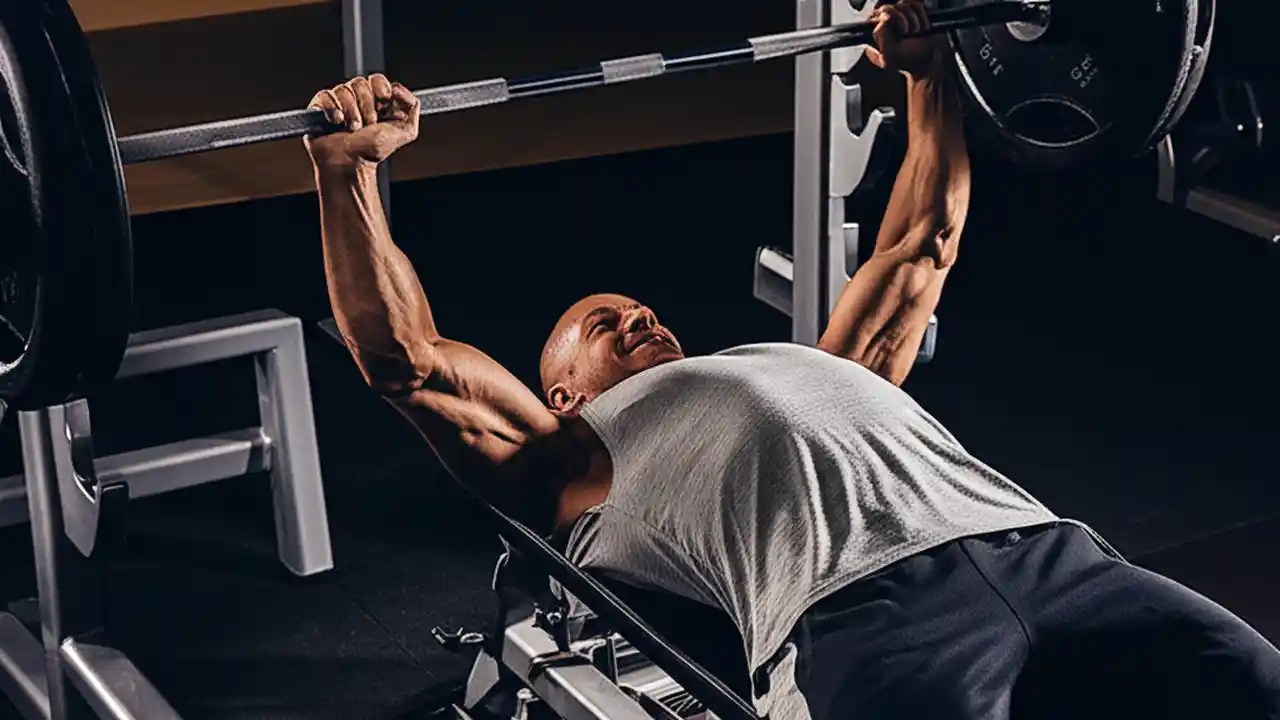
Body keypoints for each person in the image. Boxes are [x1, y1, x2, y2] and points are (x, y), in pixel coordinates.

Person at [304, 3, 1280, 719]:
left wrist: (928, 74)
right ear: (560, 390)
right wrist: (346, 168)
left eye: (638, 307)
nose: (637, 313)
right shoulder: (568, 460)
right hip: (863, 618)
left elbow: (920, 246)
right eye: (605, 322)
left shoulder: (814, 363)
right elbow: (408, 361)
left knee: (1250, 684)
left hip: (1052, 555)